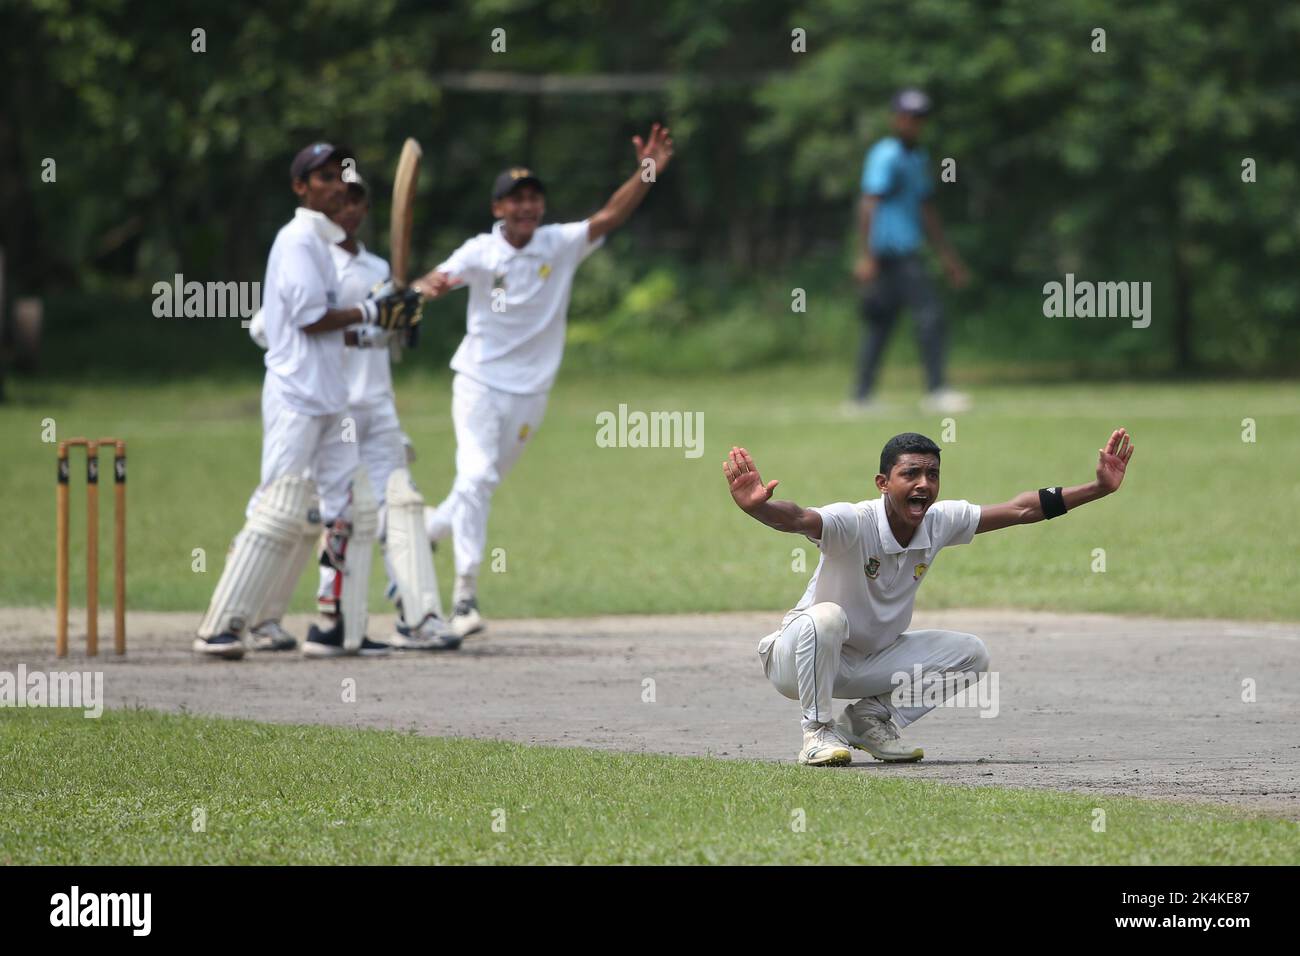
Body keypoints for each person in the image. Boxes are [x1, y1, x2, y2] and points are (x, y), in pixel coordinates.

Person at [723, 428, 1135, 766]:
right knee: (827, 616)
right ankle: (816, 732)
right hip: (796, 660)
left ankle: (868, 719)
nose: (924, 484)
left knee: (971, 653)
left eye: (932, 474)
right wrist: (758, 508)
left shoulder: (940, 521)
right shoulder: (854, 521)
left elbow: (1021, 509)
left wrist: (1098, 489)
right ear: (883, 483)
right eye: (911, 474)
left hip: (864, 663)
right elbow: (797, 518)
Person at [411, 123, 675, 639]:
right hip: (479, 381)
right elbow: (437, 279)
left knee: (483, 483)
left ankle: (428, 530)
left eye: (534, 198)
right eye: (515, 200)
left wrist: (648, 170)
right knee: (477, 474)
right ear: (498, 210)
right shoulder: (480, 252)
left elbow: (612, 215)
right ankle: (465, 596)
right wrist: (422, 289)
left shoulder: (558, 245)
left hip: (531, 392)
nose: (527, 207)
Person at [194, 143, 421, 660]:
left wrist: (376, 326)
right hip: (296, 396)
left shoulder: (321, 244)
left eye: (340, 175)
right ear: (301, 187)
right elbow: (308, 319)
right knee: (277, 506)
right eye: (324, 177)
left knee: (349, 510)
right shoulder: (296, 239)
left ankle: (338, 628)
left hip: (332, 397)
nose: (337, 185)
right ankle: (223, 625)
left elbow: (329, 330)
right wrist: (370, 308)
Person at [246, 172, 459, 653]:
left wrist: (405, 314)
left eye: (357, 200)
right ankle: (260, 617)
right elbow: (270, 329)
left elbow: (389, 333)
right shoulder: (309, 259)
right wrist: (364, 322)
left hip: (377, 404)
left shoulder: (379, 266)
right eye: (341, 199)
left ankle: (414, 616)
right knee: (296, 507)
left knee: (398, 506)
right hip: (326, 405)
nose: (348, 208)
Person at [851, 88, 971, 415]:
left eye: (919, 118)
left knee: (884, 323)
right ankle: (935, 391)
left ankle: (861, 397)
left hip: (908, 254)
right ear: (896, 118)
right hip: (890, 255)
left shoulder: (918, 158)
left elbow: (926, 209)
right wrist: (866, 255)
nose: (913, 123)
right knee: (928, 316)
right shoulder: (885, 155)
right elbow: (868, 203)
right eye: (908, 116)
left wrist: (948, 257)